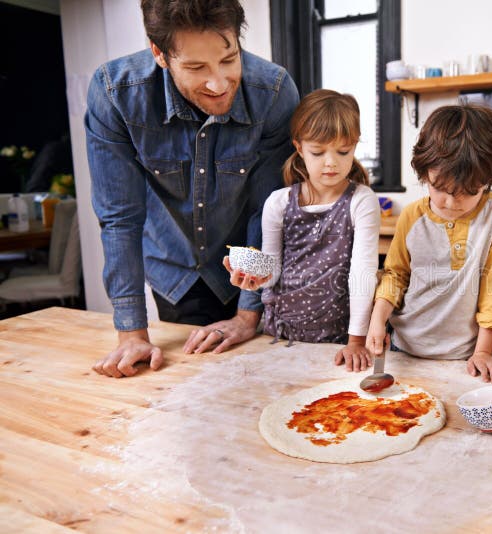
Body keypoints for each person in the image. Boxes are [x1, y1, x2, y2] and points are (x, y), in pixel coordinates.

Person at [85, 0, 299, 378]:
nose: (219, 83)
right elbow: (121, 218)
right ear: (160, 53)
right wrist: (132, 335)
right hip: (176, 271)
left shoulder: (273, 91)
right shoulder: (115, 93)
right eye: (196, 68)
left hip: (250, 265)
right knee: (191, 383)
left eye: (229, 59)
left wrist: (247, 315)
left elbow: (265, 211)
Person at [226, 89, 381, 372]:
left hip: (340, 339)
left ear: (355, 145)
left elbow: (363, 272)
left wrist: (356, 340)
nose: (331, 162)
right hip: (281, 335)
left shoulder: (362, 200)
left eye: (343, 151)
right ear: (299, 147)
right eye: (318, 152)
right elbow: (273, 272)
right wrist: (255, 279)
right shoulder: (278, 202)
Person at [366, 104, 492, 383]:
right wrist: (377, 319)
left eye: (468, 192)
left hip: (465, 357)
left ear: (488, 180)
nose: (450, 202)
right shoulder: (411, 216)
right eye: (439, 188)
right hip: (403, 349)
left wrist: (484, 352)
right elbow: (395, 275)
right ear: (424, 174)